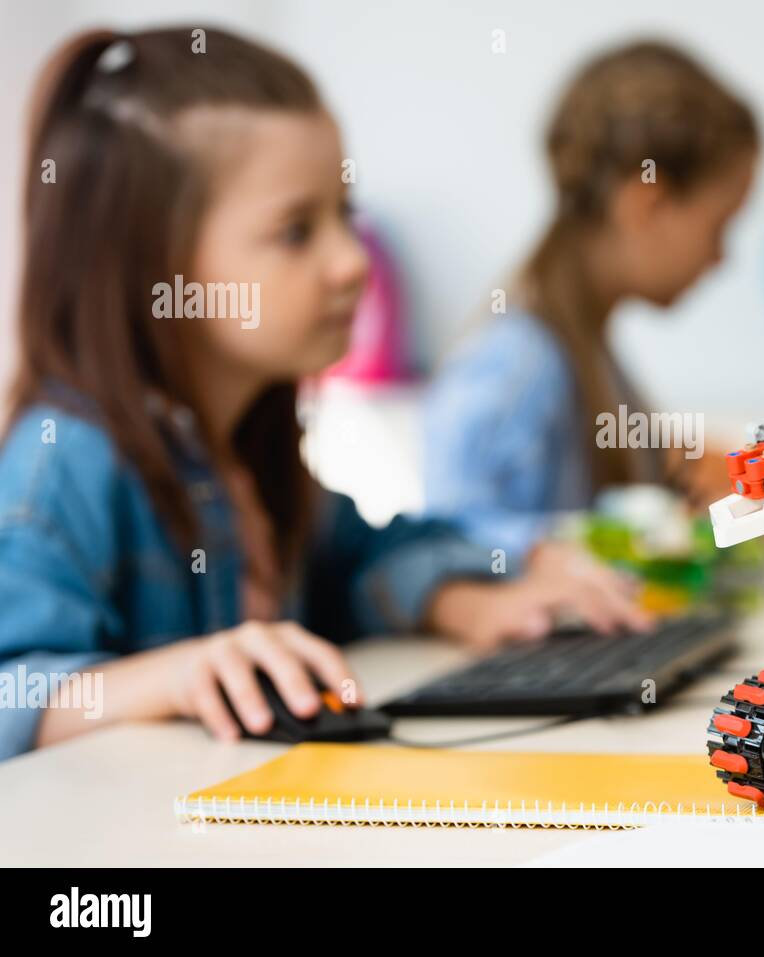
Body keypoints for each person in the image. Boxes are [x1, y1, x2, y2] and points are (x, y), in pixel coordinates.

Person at [0, 27, 645, 761]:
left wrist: (470, 596)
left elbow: (364, 558)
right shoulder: (64, 465)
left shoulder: (250, 451)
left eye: (346, 213)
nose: (350, 262)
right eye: (297, 230)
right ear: (150, 263)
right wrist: (172, 678)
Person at [422, 41, 758, 561]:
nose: (720, 259)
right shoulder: (516, 364)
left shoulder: (588, 350)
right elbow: (445, 543)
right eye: (718, 227)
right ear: (647, 202)